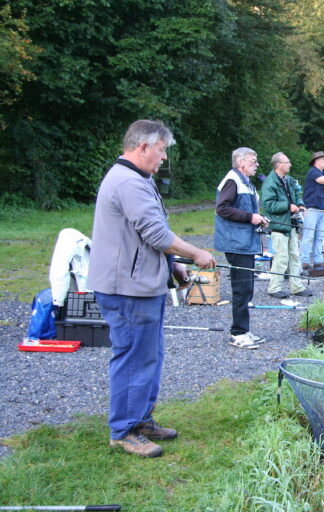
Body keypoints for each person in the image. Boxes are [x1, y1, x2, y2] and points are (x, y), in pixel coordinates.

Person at [88, 120, 216, 458]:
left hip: (143, 286)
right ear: (143, 146)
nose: (163, 159)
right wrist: (196, 253)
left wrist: (173, 264)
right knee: (133, 358)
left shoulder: (138, 179)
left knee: (149, 356)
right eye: (161, 151)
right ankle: (123, 431)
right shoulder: (128, 181)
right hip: (126, 289)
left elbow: (150, 235)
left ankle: (141, 419)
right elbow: (156, 234)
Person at [214, 147, 270, 350]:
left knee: (247, 289)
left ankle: (244, 330)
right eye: (253, 161)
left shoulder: (245, 182)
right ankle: (237, 333)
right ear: (241, 162)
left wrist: (259, 219)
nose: (256, 165)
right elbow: (222, 208)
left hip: (245, 241)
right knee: (241, 289)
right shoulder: (232, 180)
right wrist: (251, 217)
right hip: (236, 243)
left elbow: (245, 210)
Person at [261, 152, 313, 298]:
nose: (290, 164)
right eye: (287, 162)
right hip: (279, 225)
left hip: (292, 224)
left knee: (295, 256)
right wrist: (288, 206)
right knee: (281, 257)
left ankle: (296, 287)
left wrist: (300, 205)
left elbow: (297, 195)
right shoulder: (269, 182)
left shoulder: (289, 180)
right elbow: (268, 205)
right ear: (278, 164)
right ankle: (274, 288)